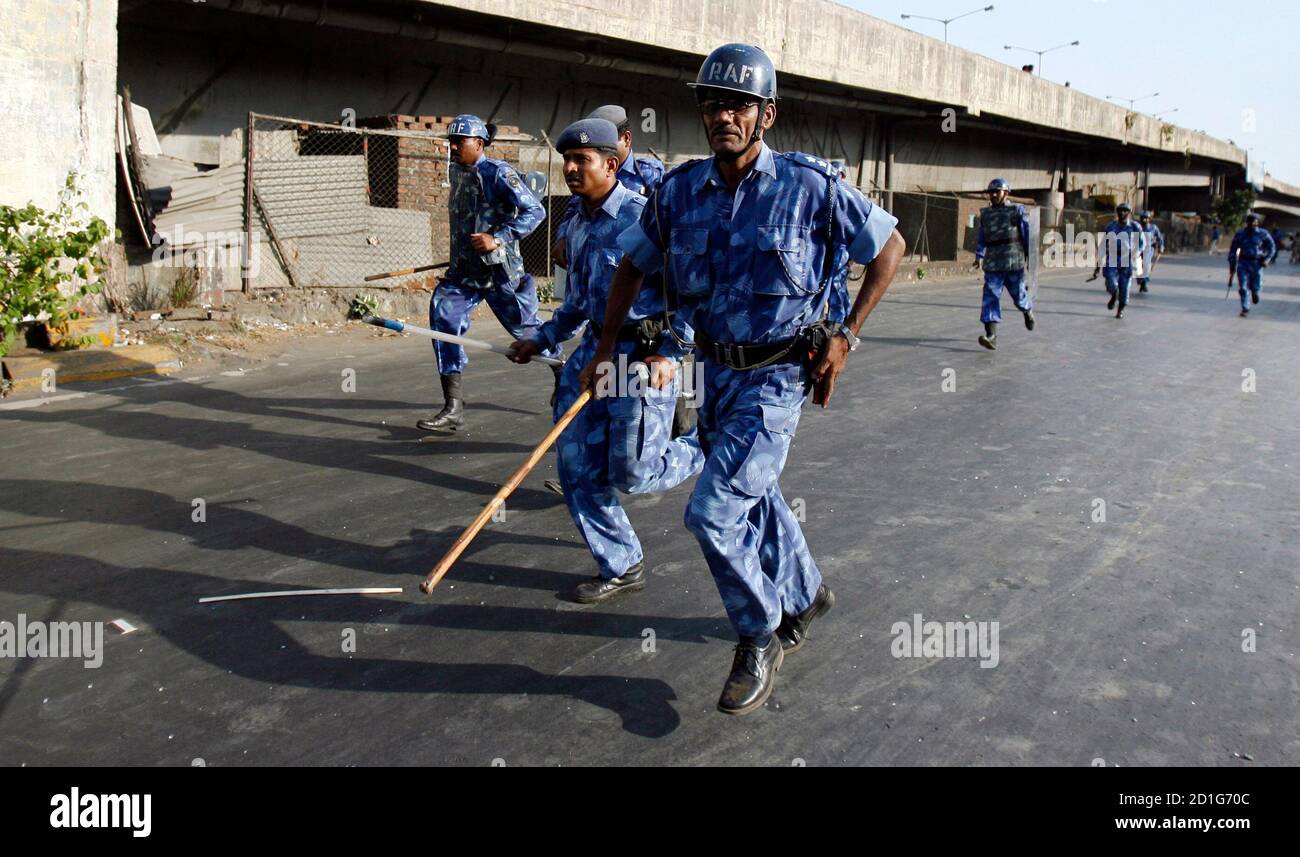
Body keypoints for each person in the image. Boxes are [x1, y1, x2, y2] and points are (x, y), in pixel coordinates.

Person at [584, 43, 905, 715]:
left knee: (713, 509)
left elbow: (889, 247)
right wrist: (607, 344)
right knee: (757, 494)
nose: (723, 116)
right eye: (712, 104)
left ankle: (758, 633)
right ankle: (808, 591)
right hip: (715, 375)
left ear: (767, 114)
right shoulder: (678, 193)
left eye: (738, 105)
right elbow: (631, 267)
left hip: (779, 379)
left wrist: (846, 336)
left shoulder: (810, 188)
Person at [510, 118, 702, 602]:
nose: (571, 169)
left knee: (633, 473)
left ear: (612, 163)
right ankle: (621, 564)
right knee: (575, 466)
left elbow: (695, 294)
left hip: (641, 358)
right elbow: (576, 303)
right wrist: (541, 337)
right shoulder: (574, 223)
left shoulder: (645, 219)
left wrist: (674, 352)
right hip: (594, 355)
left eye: (583, 160)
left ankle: (703, 445)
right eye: (567, 160)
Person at [419, 114, 561, 433]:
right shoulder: (456, 170)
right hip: (463, 274)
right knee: (443, 320)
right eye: (450, 141)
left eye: (460, 142)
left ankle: (561, 372)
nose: (453, 147)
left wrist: (497, 237)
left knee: (527, 332)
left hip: (500, 273)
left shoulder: (498, 173)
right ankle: (453, 407)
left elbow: (535, 211)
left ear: (479, 144)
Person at [550, 105, 665, 268]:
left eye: (609, 138)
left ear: (626, 139)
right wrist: (563, 236)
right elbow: (574, 207)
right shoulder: (581, 207)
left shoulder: (648, 176)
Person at [972, 178, 1035, 349]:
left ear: (1005, 193)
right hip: (993, 263)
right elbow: (982, 236)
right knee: (990, 296)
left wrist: (1031, 258)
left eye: (996, 192)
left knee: (1019, 297)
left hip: (1013, 261)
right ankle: (991, 335)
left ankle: (1027, 311)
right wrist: (979, 255)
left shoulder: (1017, 211)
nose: (993, 195)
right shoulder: (986, 214)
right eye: (991, 192)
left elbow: (1027, 235)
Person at [1092, 202, 1146, 319]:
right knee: (1110, 282)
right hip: (1112, 257)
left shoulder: (1135, 227)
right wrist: (1097, 266)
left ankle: (1120, 310)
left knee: (1125, 286)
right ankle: (1113, 294)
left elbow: (1142, 243)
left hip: (1128, 259)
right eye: (1120, 210)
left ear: (1129, 213)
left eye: (1125, 210)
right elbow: (1102, 246)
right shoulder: (1110, 227)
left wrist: (1137, 253)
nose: (1122, 213)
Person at [1229, 212, 1276, 317]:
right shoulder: (1240, 234)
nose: (1251, 224)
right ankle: (1245, 308)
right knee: (1243, 286)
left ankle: (1255, 292)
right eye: (1249, 221)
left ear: (1257, 223)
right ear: (1247, 222)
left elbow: (1272, 247)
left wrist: (1267, 259)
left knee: (1256, 284)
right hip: (1243, 262)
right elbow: (1233, 250)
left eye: (1254, 221)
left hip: (1257, 263)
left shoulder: (1263, 234)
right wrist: (1232, 264)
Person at [1135, 210, 1164, 294]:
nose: (1144, 220)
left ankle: (1144, 283)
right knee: (1139, 267)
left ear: (1149, 219)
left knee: (1146, 265)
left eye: (1146, 218)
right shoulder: (1137, 227)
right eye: (1142, 218)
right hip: (1138, 250)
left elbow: (1159, 237)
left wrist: (1161, 246)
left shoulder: (1153, 227)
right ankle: (1141, 282)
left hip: (1149, 249)